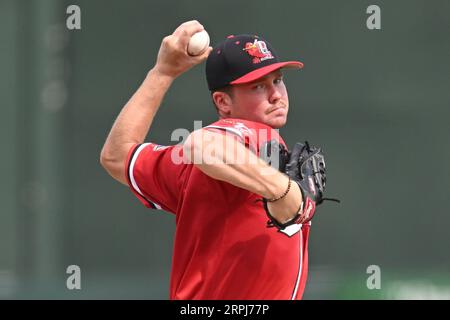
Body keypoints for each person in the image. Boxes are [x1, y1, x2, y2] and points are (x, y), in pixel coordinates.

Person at [100, 20, 321, 300]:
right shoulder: (254, 135)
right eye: (257, 87)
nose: (276, 94)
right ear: (223, 102)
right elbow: (202, 145)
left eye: (277, 80)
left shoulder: (186, 169)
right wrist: (283, 190)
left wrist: (162, 73)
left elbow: (117, 156)